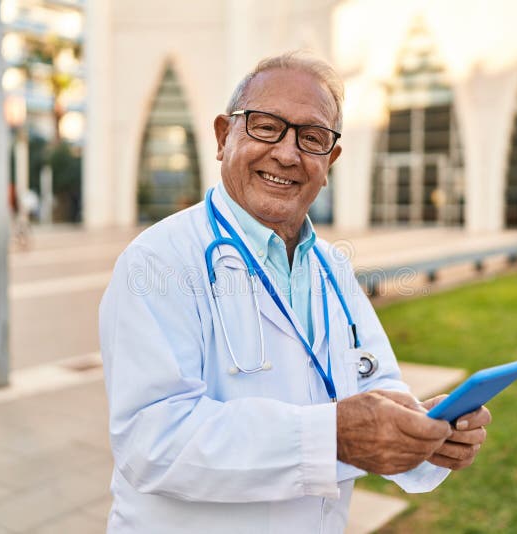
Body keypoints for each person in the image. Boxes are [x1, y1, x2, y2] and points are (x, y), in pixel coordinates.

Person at [99, 51, 491, 534]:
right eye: (266, 126)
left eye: (312, 138)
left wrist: (427, 434)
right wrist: (330, 438)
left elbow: (377, 391)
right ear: (224, 137)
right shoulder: (158, 262)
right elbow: (152, 442)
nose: (287, 154)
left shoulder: (333, 268)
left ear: (331, 161)